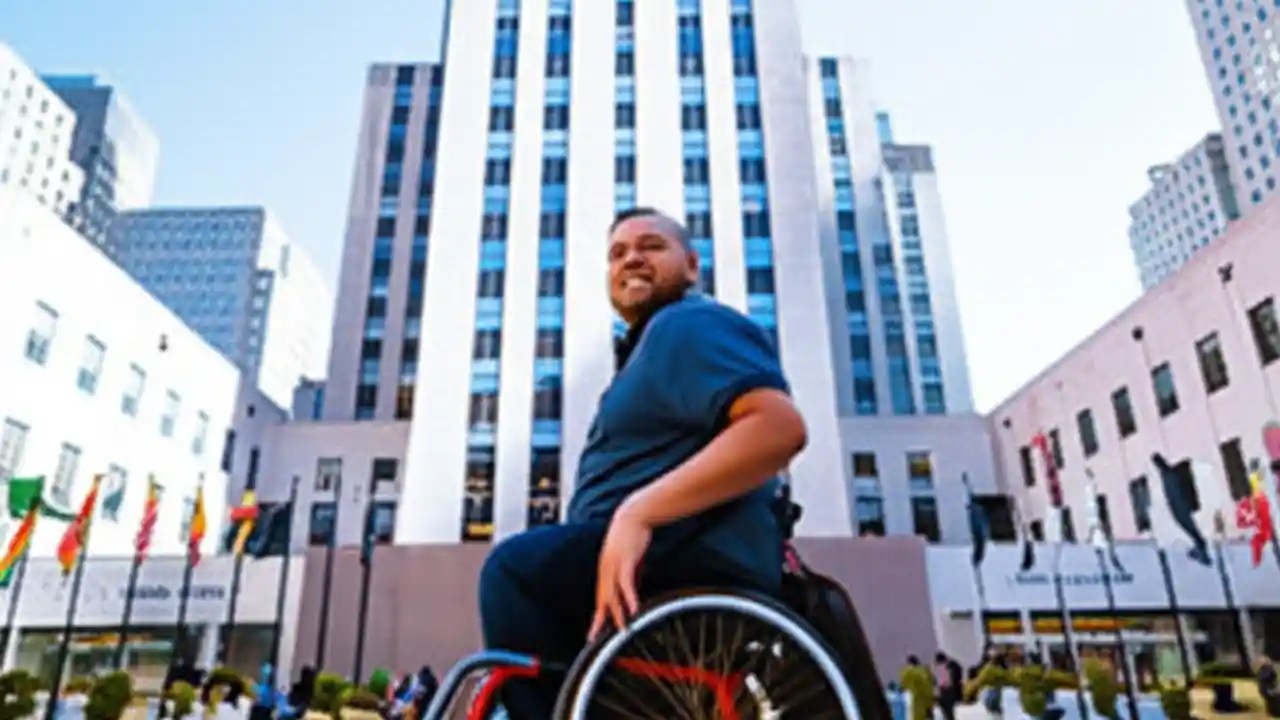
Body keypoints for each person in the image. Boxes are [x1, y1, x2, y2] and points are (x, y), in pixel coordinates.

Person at [478, 207, 807, 719]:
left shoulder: (690, 323)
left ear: (692, 266)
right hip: (652, 566)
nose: (631, 258)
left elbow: (778, 428)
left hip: (691, 558)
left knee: (516, 571)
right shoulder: (648, 349)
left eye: (651, 246)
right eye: (617, 253)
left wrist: (639, 513)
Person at [935, 651, 962, 720]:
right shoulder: (950, 667)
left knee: (947, 714)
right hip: (951, 693)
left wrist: (938, 696)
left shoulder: (941, 668)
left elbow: (943, 683)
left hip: (945, 693)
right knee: (950, 714)